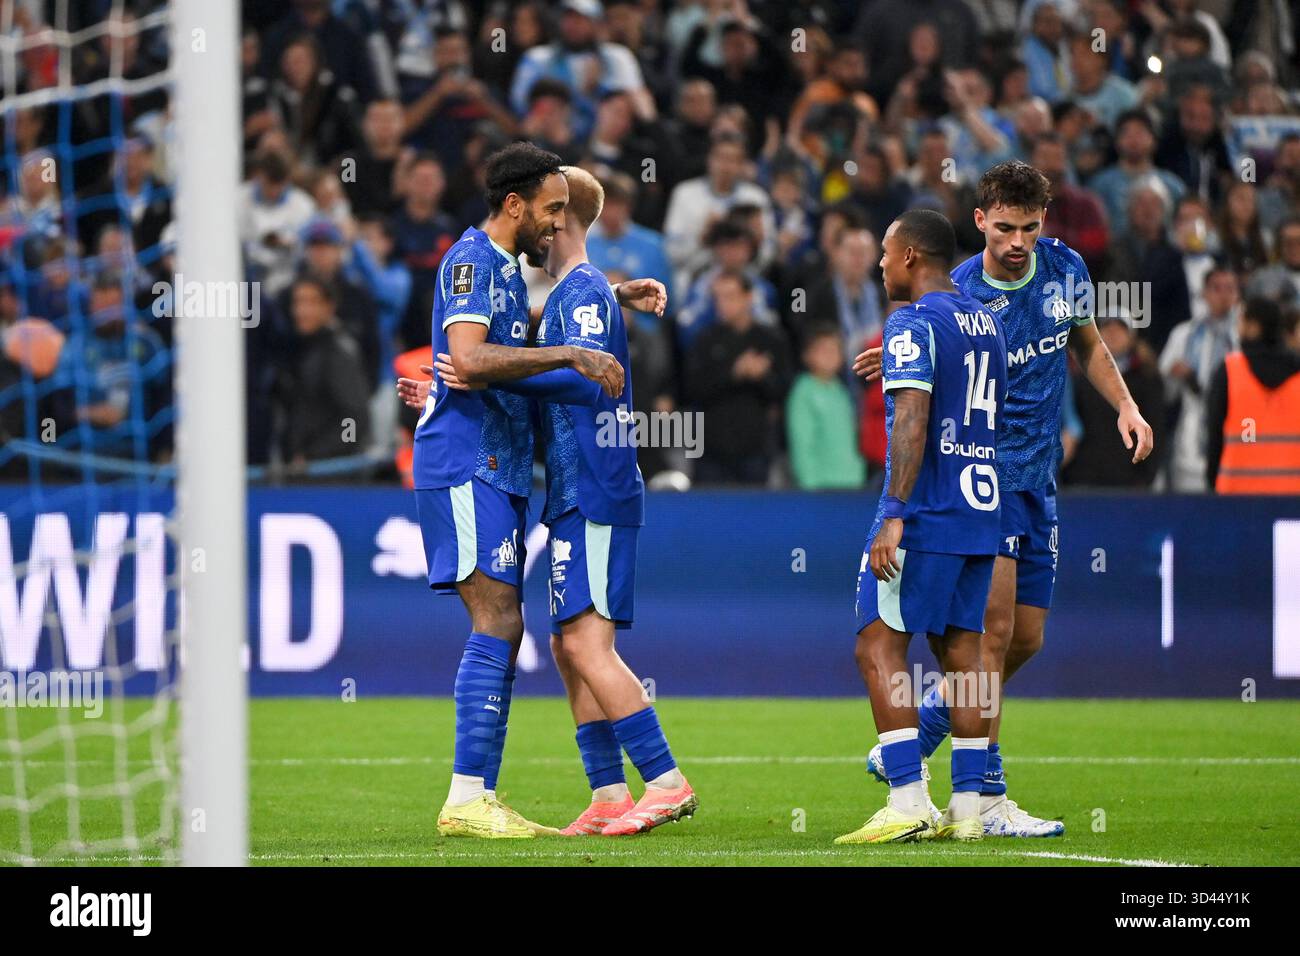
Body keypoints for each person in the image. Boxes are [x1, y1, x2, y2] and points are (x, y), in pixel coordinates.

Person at [856, 160, 1155, 836]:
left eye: (1030, 227)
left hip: (1038, 480)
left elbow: (1090, 345)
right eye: (1006, 228)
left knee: (1026, 638)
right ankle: (985, 800)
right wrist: (897, 355)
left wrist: (1126, 407)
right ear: (981, 222)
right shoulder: (958, 289)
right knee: (986, 637)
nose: (1018, 241)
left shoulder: (1066, 270)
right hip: (982, 481)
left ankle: (928, 723)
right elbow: (926, 361)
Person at [396, 142, 664, 839]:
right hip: (468, 464)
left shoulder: (510, 275)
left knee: (510, 623)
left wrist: (614, 294)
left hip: (501, 469)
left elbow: (488, 358)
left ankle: (481, 795)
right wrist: (569, 351)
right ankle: (468, 796)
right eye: (548, 209)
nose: (556, 221)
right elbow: (472, 357)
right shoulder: (470, 260)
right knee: (500, 621)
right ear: (512, 204)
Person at [837, 208, 1006, 845]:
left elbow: (912, 418)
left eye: (885, 251)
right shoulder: (985, 323)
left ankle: (908, 800)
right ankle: (967, 811)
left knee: (877, 643)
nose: (880, 263)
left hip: (928, 511)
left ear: (910, 257)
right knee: (964, 653)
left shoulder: (910, 321)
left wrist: (892, 514)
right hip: (980, 509)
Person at [1205, 297, 1300, 493]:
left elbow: (1214, 434)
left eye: (1240, 321)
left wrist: (1211, 481)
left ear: (1253, 327)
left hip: (1238, 496)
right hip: (1293, 499)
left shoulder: (1230, 370)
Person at [786, 325, 866, 490]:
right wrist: (809, 482)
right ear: (807, 355)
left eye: (835, 349)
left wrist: (857, 472)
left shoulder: (840, 391)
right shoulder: (803, 392)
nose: (830, 356)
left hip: (851, 483)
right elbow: (802, 442)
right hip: (820, 486)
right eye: (823, 350)